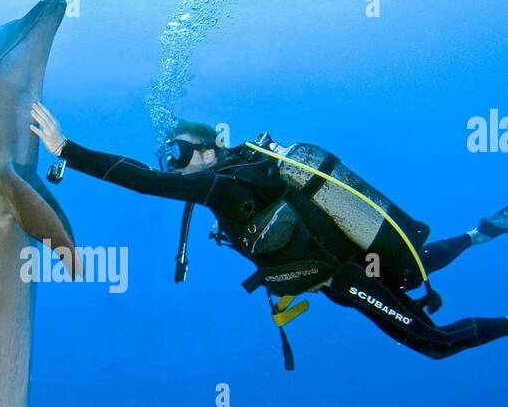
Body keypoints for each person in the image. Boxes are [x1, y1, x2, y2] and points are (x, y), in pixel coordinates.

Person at [30, 100, 508, 362]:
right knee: (415, 266)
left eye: (179, 155)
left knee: (437, 344)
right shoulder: (249, 172)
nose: (174, 167)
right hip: (348, 263)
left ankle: (479, 236)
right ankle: (480, 232)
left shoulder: (226, 186)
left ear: (211, 147)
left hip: (346, 275)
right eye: (168, 159)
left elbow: (144, 181)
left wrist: (65, 149)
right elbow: (146, 171)